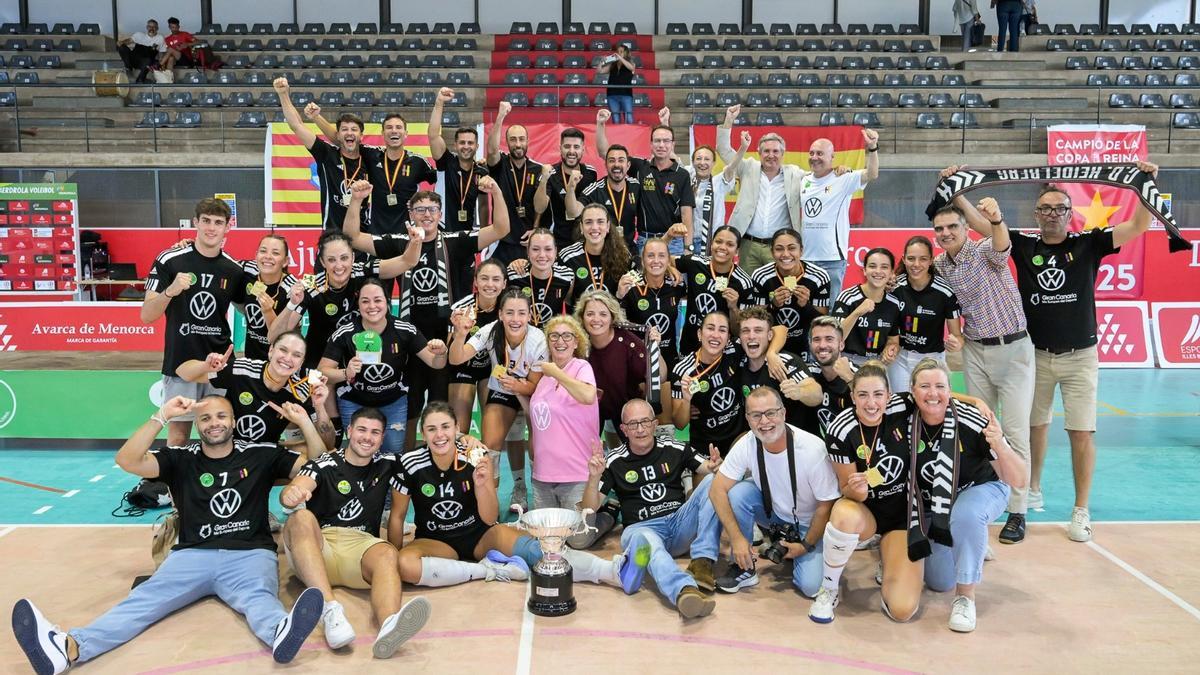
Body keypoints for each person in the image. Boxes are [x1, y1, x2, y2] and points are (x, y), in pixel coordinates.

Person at [12, 396, 328, 673]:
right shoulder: (180, 459)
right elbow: (126, 460)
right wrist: (162, 416)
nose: (213, 423)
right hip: (191, 555)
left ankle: (280, 632)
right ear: (197, 425)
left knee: (259, 598)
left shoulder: (261, 455)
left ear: (233, 421)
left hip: (249, 553)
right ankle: (67, 649)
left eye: (220, 416)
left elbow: (318, 464)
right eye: (205, 418)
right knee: (142, 602)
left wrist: (305, 422)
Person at [950, 161, 1158, 543]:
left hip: (1081, 356)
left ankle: (1081, 509)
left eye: (1058, 208)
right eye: (1044, 209)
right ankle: (1031, 490)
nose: (1051, 215)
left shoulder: (1089, 243)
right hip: (1035, 355)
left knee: (1080, 432)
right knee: (1033, 429)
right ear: (1036, 214)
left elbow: (1138, 226)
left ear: (1069, 213)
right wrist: (958, 193)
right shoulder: (1025, 246)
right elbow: (983, 226)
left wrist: (1145, 187)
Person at [389, 403, 648, 598]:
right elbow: (398, 515)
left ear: (457, 428)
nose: (439, 435)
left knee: (541, 550)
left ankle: (613, 571)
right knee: (404, 565)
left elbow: (490, 518)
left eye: (445, 427)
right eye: (431, 429)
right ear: (422, 432)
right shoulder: (410, 463)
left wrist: (482, 484)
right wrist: (391, 556)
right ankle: (489, 570)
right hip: (435, 541)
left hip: (480, 535)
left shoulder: (474, 455)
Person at [341, 181, 511, 451]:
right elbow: (352, 236)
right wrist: (356, 200)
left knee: (442, 411)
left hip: (446, 341)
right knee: (410, 409)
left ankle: (441, 462)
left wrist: (497, 192)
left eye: (432, 209)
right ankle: (407, 466)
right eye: (420, 210)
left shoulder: (455, 242)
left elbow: (502, 229)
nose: (426, 215)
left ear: (440, 214)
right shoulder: (399, 243)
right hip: (408, 342)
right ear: (410, 214)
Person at [279, 407, 430, 658]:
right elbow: (292, 492)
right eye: (361, 430)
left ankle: (390, 625)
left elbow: (431, 452)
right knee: (301, 517)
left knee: (387, 552)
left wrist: (463, 439)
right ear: (349, 431)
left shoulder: (388, 463)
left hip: (360, 552)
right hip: (318, 549)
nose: (367, 437)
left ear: (382, 439)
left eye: (375, 433)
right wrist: (291, 494)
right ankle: (330, 611)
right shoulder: (324, 463)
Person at [930, 200, 1033, 544]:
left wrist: (997, 218)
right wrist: (954, 338)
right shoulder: (940, 266)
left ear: (965, 228)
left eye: (952, 227)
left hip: (1014, 348)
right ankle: (983, 509)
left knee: (1014, 431)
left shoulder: (986, 249)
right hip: (975, 350)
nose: (945, 234)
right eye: (940, 230)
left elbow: (1002, 242)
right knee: (978, 429)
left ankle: (1018, 511)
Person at [903, 359, 1027, 632]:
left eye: (940, 386)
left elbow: (1018, 479)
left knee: (967, 516)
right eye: (924, 386)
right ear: (912, 391)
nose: (932, 393)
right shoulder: (904, 416)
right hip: (937, 505)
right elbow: (871, 395)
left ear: (950, 390)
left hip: (981, 489)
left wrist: (1001, 445)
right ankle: (972, 543)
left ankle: (965, 597)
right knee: (938, 581)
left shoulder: (972, 422)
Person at [582, 399, 724, 618]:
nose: (640, 429)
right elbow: (589, 509)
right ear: (623, 430)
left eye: (645, 422)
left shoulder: (673, 447)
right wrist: (593, 478)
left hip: (678, 523)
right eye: (633, 424)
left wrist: (713, 466)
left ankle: (702, 561)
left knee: (713, 481)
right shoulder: (613, 461)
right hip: (640, 529)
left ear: (655, 424)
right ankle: (684, 591)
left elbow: (705, 467)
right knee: (648, 545)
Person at [694, 387, 839, 600]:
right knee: (738, 493)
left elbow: (826, 506)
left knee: (810, 587)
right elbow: (717, 490)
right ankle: (744, 568)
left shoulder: (812, 449)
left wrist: (805, 545)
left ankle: (798, 549)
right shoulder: (747, 443)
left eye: (770, 413)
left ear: (783, 413)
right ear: (748, 419)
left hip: (810, 522)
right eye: (756, 415)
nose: (764, 421)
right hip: (775, 514)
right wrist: (737, 539)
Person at [142, 197, 246, 447]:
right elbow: (147, 315)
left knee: (219, 434)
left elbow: (250, 312)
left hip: (219, 363)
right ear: (195, 223)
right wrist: (171, 291)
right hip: (181, 363)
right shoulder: (169, 260)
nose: (212, 228)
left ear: (228, 227)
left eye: (218, 222)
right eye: (206, 221)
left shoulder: (234, 270)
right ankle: (174, 487)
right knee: (178, 436)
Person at [321, 279, 449, 455]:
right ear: (358, 304)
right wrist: (346, 372)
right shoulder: (346, 332)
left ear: (387, 303)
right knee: (359, 452)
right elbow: (322, 372)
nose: (372, 306)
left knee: (392, 455)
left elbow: (436, 363)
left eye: (378, 300)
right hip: (354, 401)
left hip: (393, 402)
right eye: (365, 301)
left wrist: (441, 352)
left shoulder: (405, 330)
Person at [269, 221, 420, 371]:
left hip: (358, 358)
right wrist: (292, 304)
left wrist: (415, 243)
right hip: (321, 361)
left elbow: (407, 261)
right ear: (322, 262)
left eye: (344, 258)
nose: (339, 266)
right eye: (331, 260)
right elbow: (274, 337)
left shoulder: (363, 270)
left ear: (353, 257)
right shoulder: (312, 288)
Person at [448, 289, 548, 511]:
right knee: (490, 447)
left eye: (521, 313)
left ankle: (536, 495)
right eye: (510, 313)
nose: (515, 319)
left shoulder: (538, 339)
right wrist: (460, 334)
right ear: (500, 314)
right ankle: (489, 506)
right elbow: (456, 359)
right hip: (502, 390)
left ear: (529, 316)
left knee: (537, 444)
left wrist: (519, 387)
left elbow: (535, 385)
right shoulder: (490, 331)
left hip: (531, 392)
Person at [176, 330, 335, 452]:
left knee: (319, 456)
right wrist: (205, 366)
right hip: (227, 449)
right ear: (271, 351)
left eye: (296, 355)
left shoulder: (302, 390)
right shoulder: (243, 369)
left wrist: (320, 406)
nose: (287, 358)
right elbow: (182, 372)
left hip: (264, 455)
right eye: (283, 350)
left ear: (301, 362)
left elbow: (328, 444)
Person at [309, 110, 437, 237]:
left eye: (398, 127)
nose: (394, 131)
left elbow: (440, 179)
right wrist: (316, 117)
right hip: (375, 235)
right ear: (383, 133)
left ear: (405, 134)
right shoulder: (372, 155)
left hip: (407, 234)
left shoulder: (418, 161)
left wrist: (422, 203)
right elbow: (342, 140)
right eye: (389, 127)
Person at [274, 78, 377, 231]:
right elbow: (297, 126)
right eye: (344, 129)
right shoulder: (326, 154)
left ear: (361, 136)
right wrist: (283, 94)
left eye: (354, 130)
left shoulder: (370, 158)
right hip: (331, 234)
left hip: (362, 235)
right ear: (338, 135)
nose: (349, 133)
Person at [715, 105, 807, 273]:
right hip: (748, 245)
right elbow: (723, 149)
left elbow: (819, 179)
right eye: (766, 151)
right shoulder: (748, 167)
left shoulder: (795, 174)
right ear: (759, 152)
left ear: (782, 153)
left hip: (780, 248)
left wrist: (839, 170)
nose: (771, 155)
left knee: (779, 293)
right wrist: (729, 120)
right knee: (748, 292)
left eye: (775, 151)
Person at [596, 107, 694, 255]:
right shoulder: (640, 167)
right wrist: (601, 124)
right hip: (645, 241)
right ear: (651, 144)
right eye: (657, 141)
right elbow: (605, 153)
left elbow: (687, 215)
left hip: (674, 244)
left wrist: (688, 249)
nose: (661, 145)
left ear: (673, 145)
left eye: (666, 141)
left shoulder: (682, 174)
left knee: (675, 279)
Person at [576, 289, 665, 452]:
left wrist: (654, 349)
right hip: (592, 408)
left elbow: (660, 377)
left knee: (637, 451)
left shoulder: (627, 341)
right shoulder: (577, 343)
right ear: (582, 317)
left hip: (625, 404)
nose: (596, 319)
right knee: (583, 451)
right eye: (590, 314)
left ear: (612, 317)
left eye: (603, 314)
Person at [798, 128, 881, 301]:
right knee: (804, 311)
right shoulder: (803, 180)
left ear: (832, 157)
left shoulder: (843, 179)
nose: (814, 157)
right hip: (804, 260)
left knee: (830, 314)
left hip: (832, 261)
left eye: (820, 153)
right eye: (811, 153)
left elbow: (872, 174)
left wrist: (872, 147)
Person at [529, 315, 599, 510]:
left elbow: (587, 395)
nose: (560, 341)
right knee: (545, 534)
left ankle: (607, 512)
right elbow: (540, 418)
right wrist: (516, 391)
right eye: (554, 336)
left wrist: (556, 372)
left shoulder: (581, 367)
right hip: (543, 472)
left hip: (575, 471)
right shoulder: (544, 379)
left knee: (578, 540)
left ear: (576, 342)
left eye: (567, 336)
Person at [888, 236, 963, 392]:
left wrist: (956, 344)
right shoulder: (894, 288)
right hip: (900, 359)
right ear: (903, 259)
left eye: (923, 259)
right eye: (911, 259)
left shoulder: (945, 293)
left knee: (931, 408)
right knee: (901, 406)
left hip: (932, 360)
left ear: (931, 261)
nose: (916, 264)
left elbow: (958, 336)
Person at [735, 306, 822, 429]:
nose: (751, 336)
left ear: (770, 335)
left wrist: (799, 391)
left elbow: (817, 394)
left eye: (758, 330)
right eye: (745, 331)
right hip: (763, 438)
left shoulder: (784, 361)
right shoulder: (739, 362)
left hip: (795, 439)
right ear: (740, 336)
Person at [750, 228, 832, 356]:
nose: (786, 254)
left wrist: (805, 305)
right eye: (779, 249)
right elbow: (756, 321)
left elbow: (823, 322)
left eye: (792, 248)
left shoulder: (819, 277)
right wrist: (774, 306)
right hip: (772, 341)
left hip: (806, 342)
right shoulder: (761, 276)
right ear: (772, 252)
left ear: (801, 251)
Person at [671, 312, 743, 457]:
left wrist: (772, 354)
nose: (716, 335)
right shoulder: (682, 370)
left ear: (728, 338)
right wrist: (686, 400)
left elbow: (773, 332)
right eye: (710, 328)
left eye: (722, 330)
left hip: (739, 438)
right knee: (707, 480)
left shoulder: (735, 350)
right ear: (699, 333)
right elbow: (680, 424)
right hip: (705, 444)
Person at [448, 259, 507, 434]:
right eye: (484, 278)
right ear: (475, 282)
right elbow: (449, 350)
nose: (490, 284)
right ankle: (461, 461)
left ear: (504, 283)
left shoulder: (508, 308)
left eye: (496, 279)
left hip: (492, 369)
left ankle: (488, 461)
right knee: (459, 430)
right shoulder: (461, 308)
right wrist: (460, 332)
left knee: (492, 431)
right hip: (463, 367)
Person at [675, 226, 752, 355]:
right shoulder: (696, 263)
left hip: (723, 352)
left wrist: (733, 308)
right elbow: (661, 261)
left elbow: (739, 331)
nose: (722, 247)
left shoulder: (744, 282)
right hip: (690, 348)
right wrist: (671, 268)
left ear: (737, 251)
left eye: (730, 244)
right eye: (718, 241)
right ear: (711, 244)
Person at [487, 101, 544, 265]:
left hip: (530, 243)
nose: (518, 144)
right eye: (513, 140)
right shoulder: (500, 165)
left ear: (528, 141)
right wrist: (500, 116)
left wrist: (536, 230)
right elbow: (491, 151)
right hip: (502, 242)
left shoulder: (539, 170)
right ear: (507, 142)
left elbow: (543, 208)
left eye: (521, 139)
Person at [429, 87, 490, 232]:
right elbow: (433, 135)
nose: (466, 146)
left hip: (466, 233)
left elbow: (483, 205)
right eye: (462, 142)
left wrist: (484, 233)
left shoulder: (481, 171)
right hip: (442, 230)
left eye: (470, 143)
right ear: (455, 145)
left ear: (477, 146)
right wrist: (439, 103)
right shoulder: (446, 162)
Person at [618, 237, 685, 368]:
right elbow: (617, 322)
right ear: (642, 260)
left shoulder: (676, 284)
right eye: (650, 256)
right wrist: (619, 296)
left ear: (668, 260)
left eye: (661, 256)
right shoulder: (631, 286)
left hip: (668, 356)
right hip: (638, 355)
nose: (656, 261)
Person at [832, 247, 902, 366]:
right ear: (864, 270)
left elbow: (893, 339)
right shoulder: (847, 297)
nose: (878, 271)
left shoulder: (894, 303)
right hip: (847, 360)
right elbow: (834, 338)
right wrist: (857, 313)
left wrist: (891, 348)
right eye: (872, 266)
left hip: (877, 363)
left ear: (891, 273)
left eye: (884, 267)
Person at [532, 128, 598, 251]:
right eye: (567, 146)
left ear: (583, 149)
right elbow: (539, 207)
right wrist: (544, 179)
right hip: (557, 241)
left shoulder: (590, 173)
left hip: (585, 241)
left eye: (576, 147)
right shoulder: (550, 173)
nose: (571, 151)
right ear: (560, 148)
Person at [568, 145, 642, 253]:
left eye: (621, 160)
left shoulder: (636, 186)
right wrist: (570, 187)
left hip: (629, 250)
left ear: (628, 165)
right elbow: (573, 212)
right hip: (603, 251)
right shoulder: (595, 189)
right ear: (606, 165)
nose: (616, 165)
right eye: (612, 161)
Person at [236, 234, 297, 361]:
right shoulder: (247, 269)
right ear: (256, 255)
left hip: (281, 361)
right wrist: (187, 245)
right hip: (251, 359)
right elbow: (219, 262)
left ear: (285, 261)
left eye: (275, 253)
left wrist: (268, 311)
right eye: (263, 251)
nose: (268, 257)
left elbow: (280, 337)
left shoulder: (292, 289)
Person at [558, 202, 633, 299]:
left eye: (600, 222)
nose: (594, 227)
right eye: (588, 222)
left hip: (613, 313)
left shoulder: (622, 255)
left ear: (608, 226)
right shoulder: (567, 257)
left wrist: (619, 295)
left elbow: (629, 299)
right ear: (581, 227)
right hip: (578, 314)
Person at [505, 228, 577, 327]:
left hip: (551, 338)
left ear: (555, 251)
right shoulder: (514, 275)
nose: (542, 255)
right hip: (521, 335)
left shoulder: (567, 276)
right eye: (535, 249)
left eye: (548, 249)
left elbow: (570, 305)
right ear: (528, 251)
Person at [685, 136, 744, 254]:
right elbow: (671, 157)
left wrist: (743, 148)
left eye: (707, 159)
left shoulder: (719, 182)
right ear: (693, 162)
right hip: (686, 241)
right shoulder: (686, 178)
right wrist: (665, 122)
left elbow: (731, 167)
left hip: (712, 243)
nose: (702, 163)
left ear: (713, 163)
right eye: (698, 159)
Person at [804, 316, 859, 438]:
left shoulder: (858, 374)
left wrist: (849, 378)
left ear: (841, 345)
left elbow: (873, 408)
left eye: (829, 339)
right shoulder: (808, 372)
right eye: (817, 339)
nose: (822, 345)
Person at [597, 43, 636, 124]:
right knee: (615, 119)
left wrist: (620, 58)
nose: (619, 53)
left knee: (628, 118)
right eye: (618, 51)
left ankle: (630, 135)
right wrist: (601, 62)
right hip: (612, 94)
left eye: (621, 51)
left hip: (626, 94)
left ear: (626, 53)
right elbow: (600, 71)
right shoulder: (612, 64)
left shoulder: (631, 63)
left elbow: (631, 68)